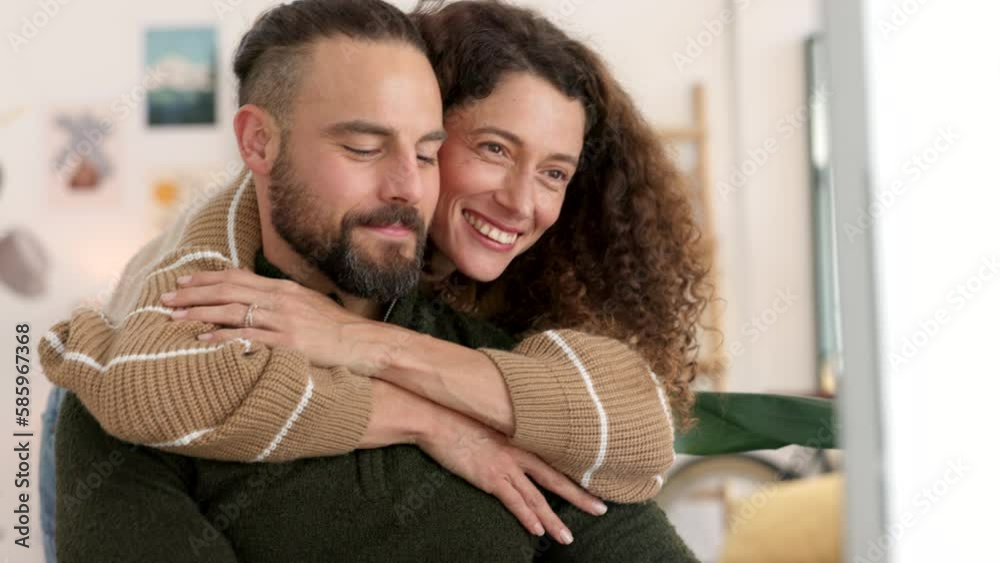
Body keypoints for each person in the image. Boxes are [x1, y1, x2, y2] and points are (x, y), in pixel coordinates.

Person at [40, 0, 705, 560]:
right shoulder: (156, 354)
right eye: (363, 147)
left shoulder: (504, 347)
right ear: (259, 145)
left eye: (423, 152)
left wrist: (370, 349)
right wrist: (427, 421)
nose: (407, 185)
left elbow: (637, 436)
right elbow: (150, 385)